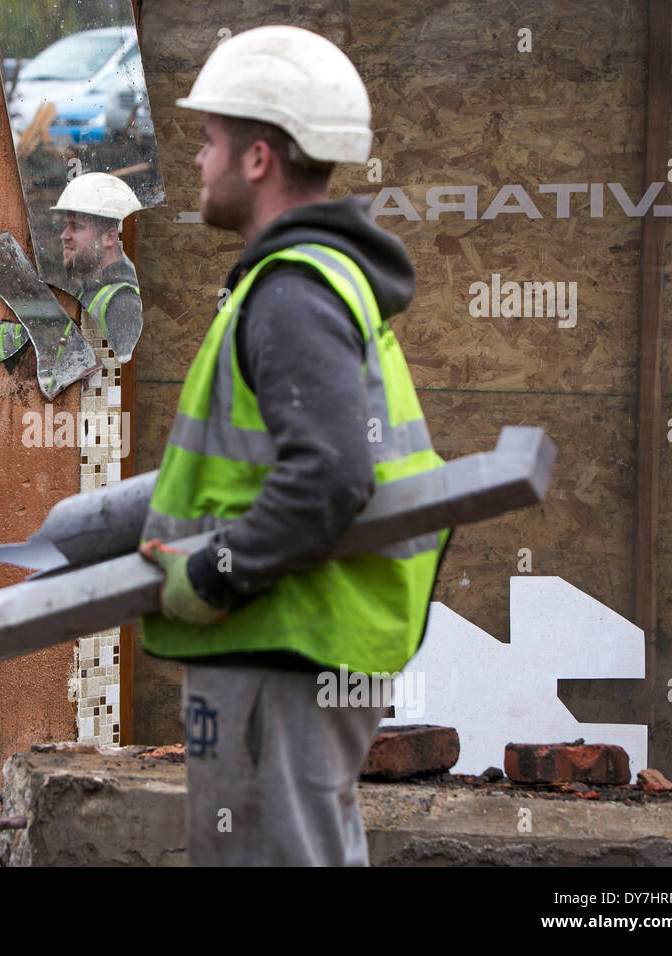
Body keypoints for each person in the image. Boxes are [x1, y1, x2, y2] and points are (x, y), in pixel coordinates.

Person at [137, 25, 449, 866]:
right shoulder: (306, 282)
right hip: (298, 642)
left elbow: (329, 477)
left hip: (287, 642)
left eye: (208, 143)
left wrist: (211, 572)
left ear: (259, 158)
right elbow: (273, 465)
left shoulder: (292, 293)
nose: (196, 163)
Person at [52, 172, 144, 362]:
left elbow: (119, 381)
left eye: (75, 227)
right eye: (65, 226)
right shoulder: (91, 293)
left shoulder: (122, 303)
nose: (64, 235)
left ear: (110, 237)